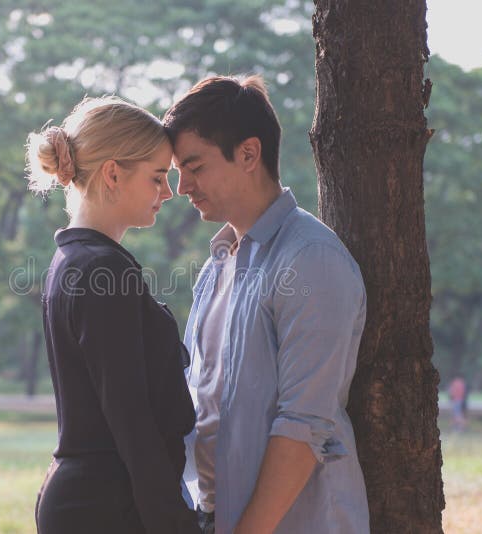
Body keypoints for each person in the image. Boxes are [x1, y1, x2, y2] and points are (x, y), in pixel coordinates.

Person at [164, 75, 370, 534]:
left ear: (249, 154)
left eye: (194, 166)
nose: (183, 187)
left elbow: (303, 426)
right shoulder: (217, 264)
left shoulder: (311, 258)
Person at [27, 96, 200, 534]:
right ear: (113, 174)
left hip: (90, 498)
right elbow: (131, 420)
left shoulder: (73, 259)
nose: (169, 192)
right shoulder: (102, 268)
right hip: (108, 507)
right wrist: (175, 523)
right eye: (158, 177)